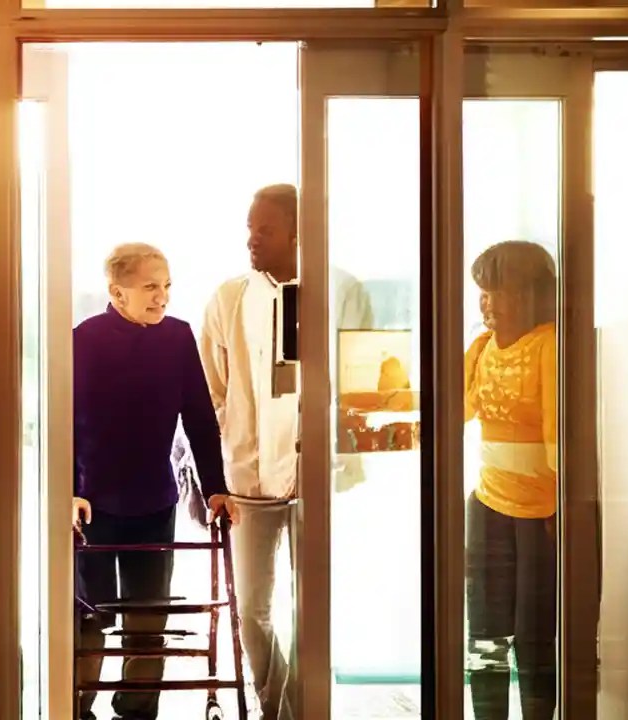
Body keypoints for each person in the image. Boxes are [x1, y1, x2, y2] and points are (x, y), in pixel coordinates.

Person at [197, 183, 371, 719]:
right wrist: (224, 452)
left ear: (299, 232)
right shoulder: (229, 297)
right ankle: (277, 705)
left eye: (264, 229)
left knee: (314, 606)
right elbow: (210, 390)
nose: (252, 238)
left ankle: (304, 707)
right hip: (247, 481)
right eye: (250, 227)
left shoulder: (341, 289)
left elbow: (365, 380)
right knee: (251, 609)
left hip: (318, 478)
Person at [72, 242, 240, 720]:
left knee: (148, 618)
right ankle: (77, 709)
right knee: (90, 617)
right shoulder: (83, 339)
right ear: (116, 292)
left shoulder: (178, 338)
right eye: (150, 286)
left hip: (153, 499)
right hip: (92, 503)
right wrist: (70, 489)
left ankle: (137, 712)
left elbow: (200, 419)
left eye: (166, 286)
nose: (162, 296)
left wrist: (215, 488)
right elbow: (64, 420)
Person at [462, 240, 558, 720]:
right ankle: (488, 714)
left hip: (543, 513)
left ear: (528, 294)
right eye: (482, 290)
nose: (486, 301)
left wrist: (565, 509)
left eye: (496, 290)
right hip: (487, 504)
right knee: (484, 628)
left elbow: (558, 436)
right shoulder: (480, 348)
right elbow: (449, 410)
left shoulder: (550, 345)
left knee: (537, 630)